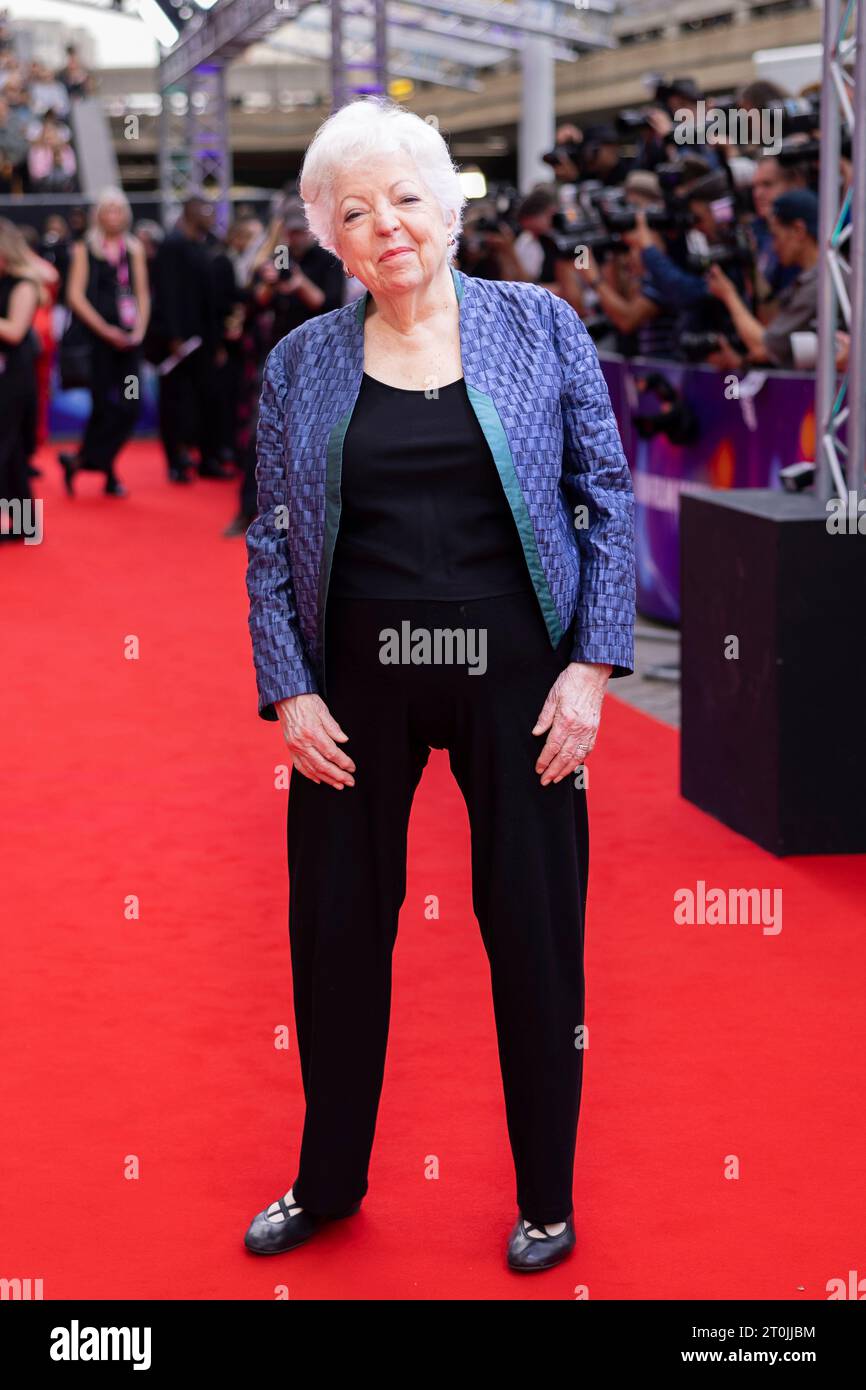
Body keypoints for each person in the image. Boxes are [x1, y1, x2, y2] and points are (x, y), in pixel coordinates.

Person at [242, 96, 635, 1273]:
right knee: (335, 931)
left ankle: (546, 1197)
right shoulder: (300, 359)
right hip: (351, 682)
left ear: (448, 207)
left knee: (532, 931)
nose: (385, 226)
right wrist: (288, 690)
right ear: (329, 237)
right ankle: (329, 1178)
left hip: (517, 674)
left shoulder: (540, 325)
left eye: (404, 198)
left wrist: (590, 668)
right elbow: (269, 536)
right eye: (352, 212)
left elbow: (601, 498)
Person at [59, 188, 149, 498]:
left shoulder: (134, 248)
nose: (113, 215)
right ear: (99, 214)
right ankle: (106, 470)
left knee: (130, 405)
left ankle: (83, 459)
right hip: (98, 343)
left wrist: (138, 330)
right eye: (107, 209)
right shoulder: (85, 248)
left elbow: (142, 294)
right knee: (102, 406)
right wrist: (104, 329)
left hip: (128, 342)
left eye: (118, 209)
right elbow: (74, 295)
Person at [148, 195, 229, 482]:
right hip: (179, 342)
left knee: (208, 399)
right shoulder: (172, 246)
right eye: (206, 210)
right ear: (190, 212)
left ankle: (207, 458)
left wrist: (217, 341)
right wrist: (173, 336)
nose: (211, 216)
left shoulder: (204, 245)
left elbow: (211, 298)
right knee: (176, 402)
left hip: (205, 339)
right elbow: (167, 294)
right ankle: (177, 460)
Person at [705, 189, 819, 369]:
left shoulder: (820, 285)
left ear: (798, 230)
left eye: (776, 235)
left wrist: (728, 295)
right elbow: (772, 331)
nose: (774, 246)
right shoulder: (810, 279)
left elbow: (763, 346)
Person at [0, 218, 39, 542]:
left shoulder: (24, 284)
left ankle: (25, 523)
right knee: (10, 455)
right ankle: (26, 524)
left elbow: (14, 331)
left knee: (6, 450)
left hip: (14, 378)